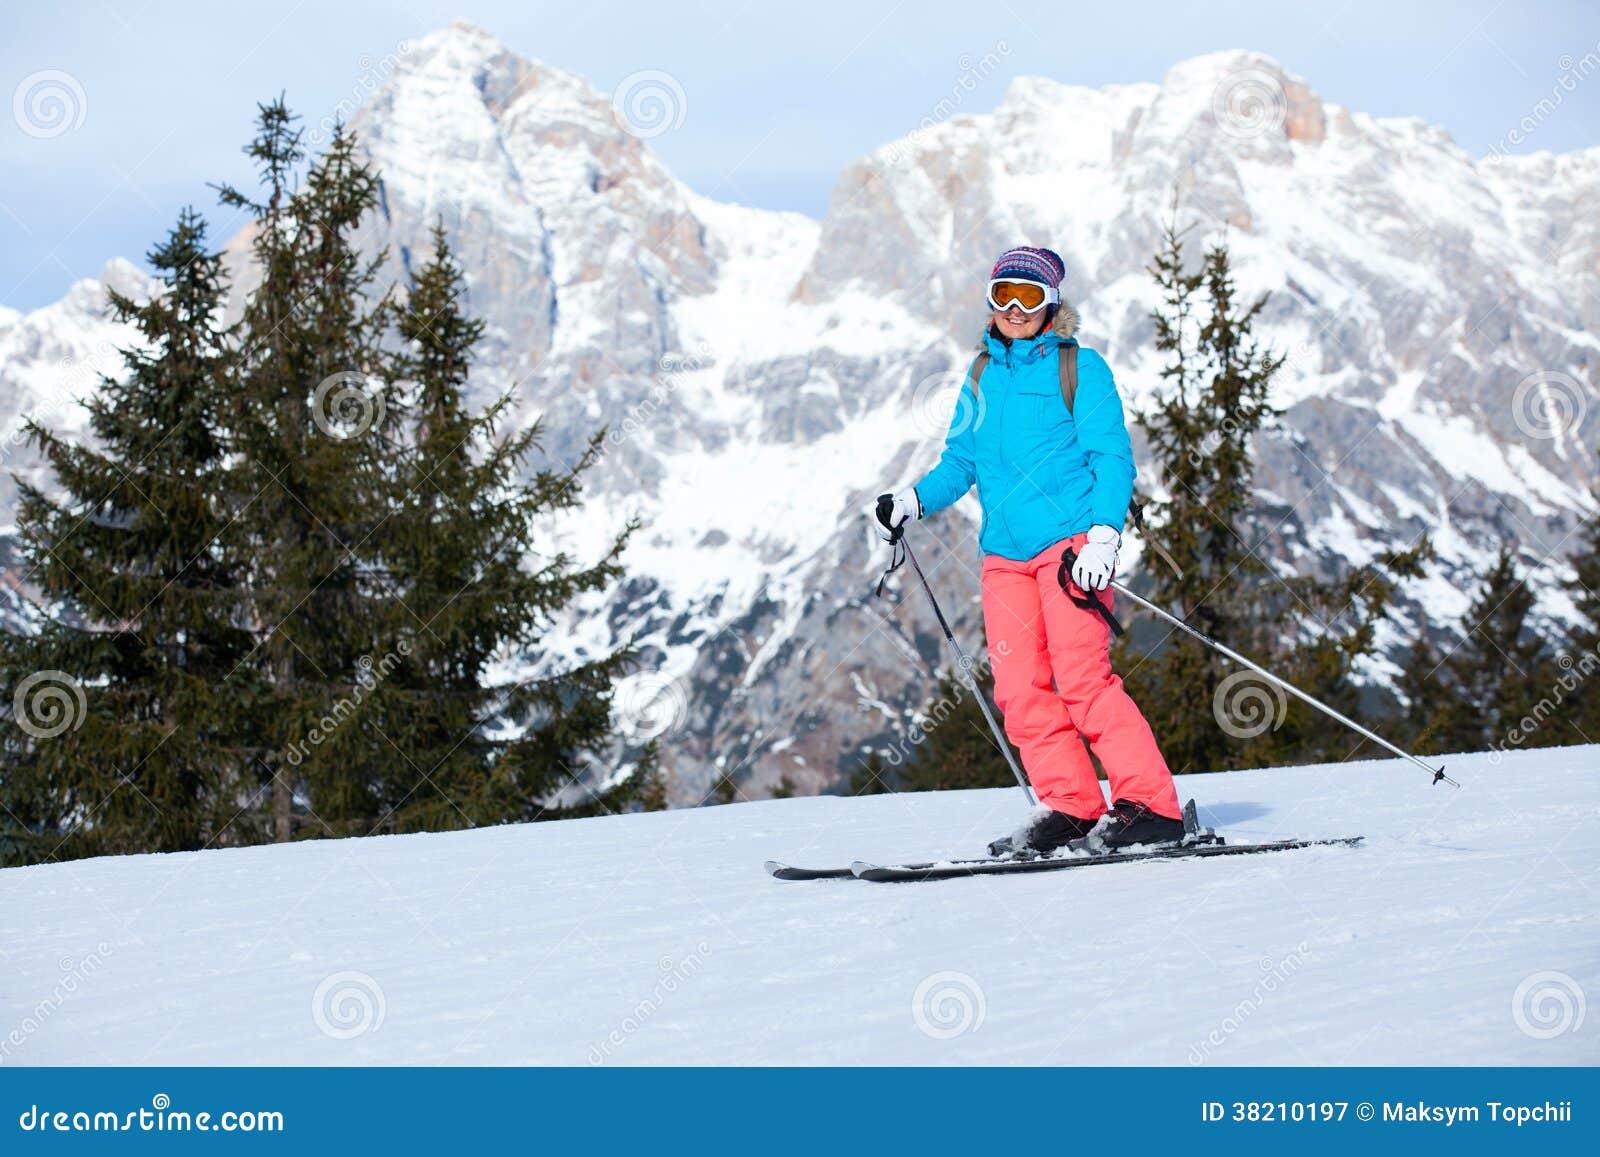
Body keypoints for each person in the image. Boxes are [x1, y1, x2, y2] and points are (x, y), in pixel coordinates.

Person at [874, 245, 1185, 855]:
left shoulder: (1081, 368)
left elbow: (1111, 458)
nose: (1015, 309)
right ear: (991, 301)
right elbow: (960, 462)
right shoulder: (982, 373)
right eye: (1004, 295)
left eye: (1029, 296)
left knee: (1082, 680)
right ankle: (1071, 805)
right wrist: (914, 499)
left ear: (1051, 303)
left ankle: (1151, 805)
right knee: (1019, 689)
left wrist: (1103, 535)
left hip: (1070, 546)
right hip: (1004, 556)